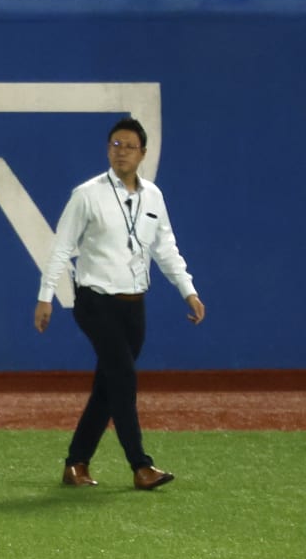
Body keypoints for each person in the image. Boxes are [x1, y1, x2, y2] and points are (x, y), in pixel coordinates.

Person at [34, 117, 206, 491]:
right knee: (124, 380)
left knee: (108, 387)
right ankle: (140, 466)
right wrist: (45, 296)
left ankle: (76, 463)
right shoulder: (87, 194)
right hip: (95, 301)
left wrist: (187, 290)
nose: (121, 152)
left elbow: (166, 249)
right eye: (115, 145)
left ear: (143, 153)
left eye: (129, 146)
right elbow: (61, 246)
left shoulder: (153, 197)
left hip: (133, 305)